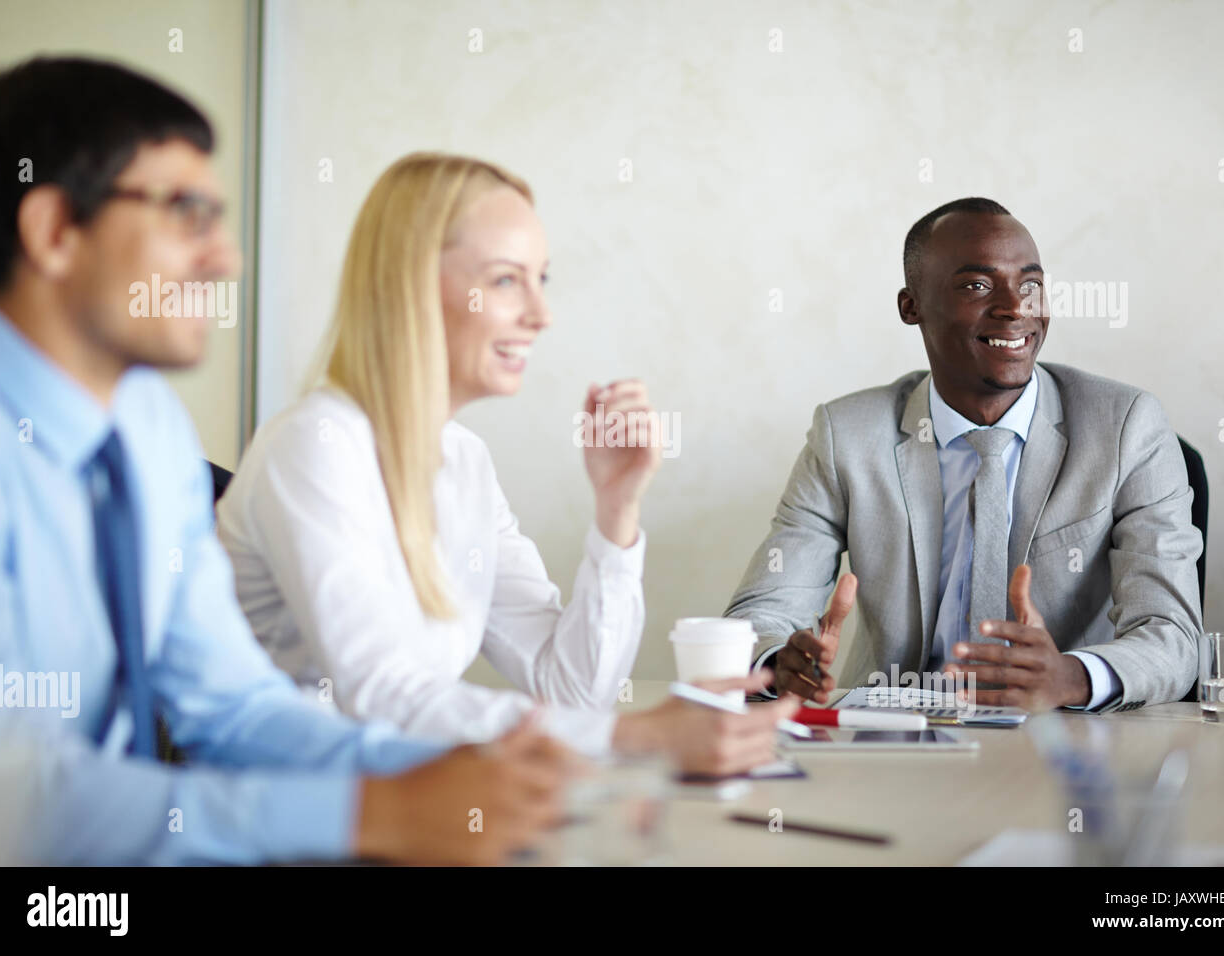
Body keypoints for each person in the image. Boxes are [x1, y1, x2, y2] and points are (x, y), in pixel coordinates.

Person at [0, 56, 571, 866]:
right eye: (187, 213)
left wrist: (460, 774)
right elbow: (6, 802)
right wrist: (370, 816)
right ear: (53, 230)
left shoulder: (149, 426)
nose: (227, 258)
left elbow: (233, 706)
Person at [216, 152, 795, 774]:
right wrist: (634, 737)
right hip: (296, 823)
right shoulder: (315, 446)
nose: (540, 315)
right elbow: (379, 697)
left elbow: (572, 689)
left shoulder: (464, 461)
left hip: (403, 809)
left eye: (540, 279)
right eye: (504, 280)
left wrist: (615, 510)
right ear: (409, 283)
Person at [725, 198, 1202, 713]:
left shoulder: (1126, 426)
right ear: (912, 306)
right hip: (895, 745)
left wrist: (1070, 677)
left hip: (1063, 747)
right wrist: (779, 663)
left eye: (1030, 284)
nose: (1015, 307)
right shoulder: (847, 435)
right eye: (977, 285)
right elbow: (760, 614)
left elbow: (1172, 636)